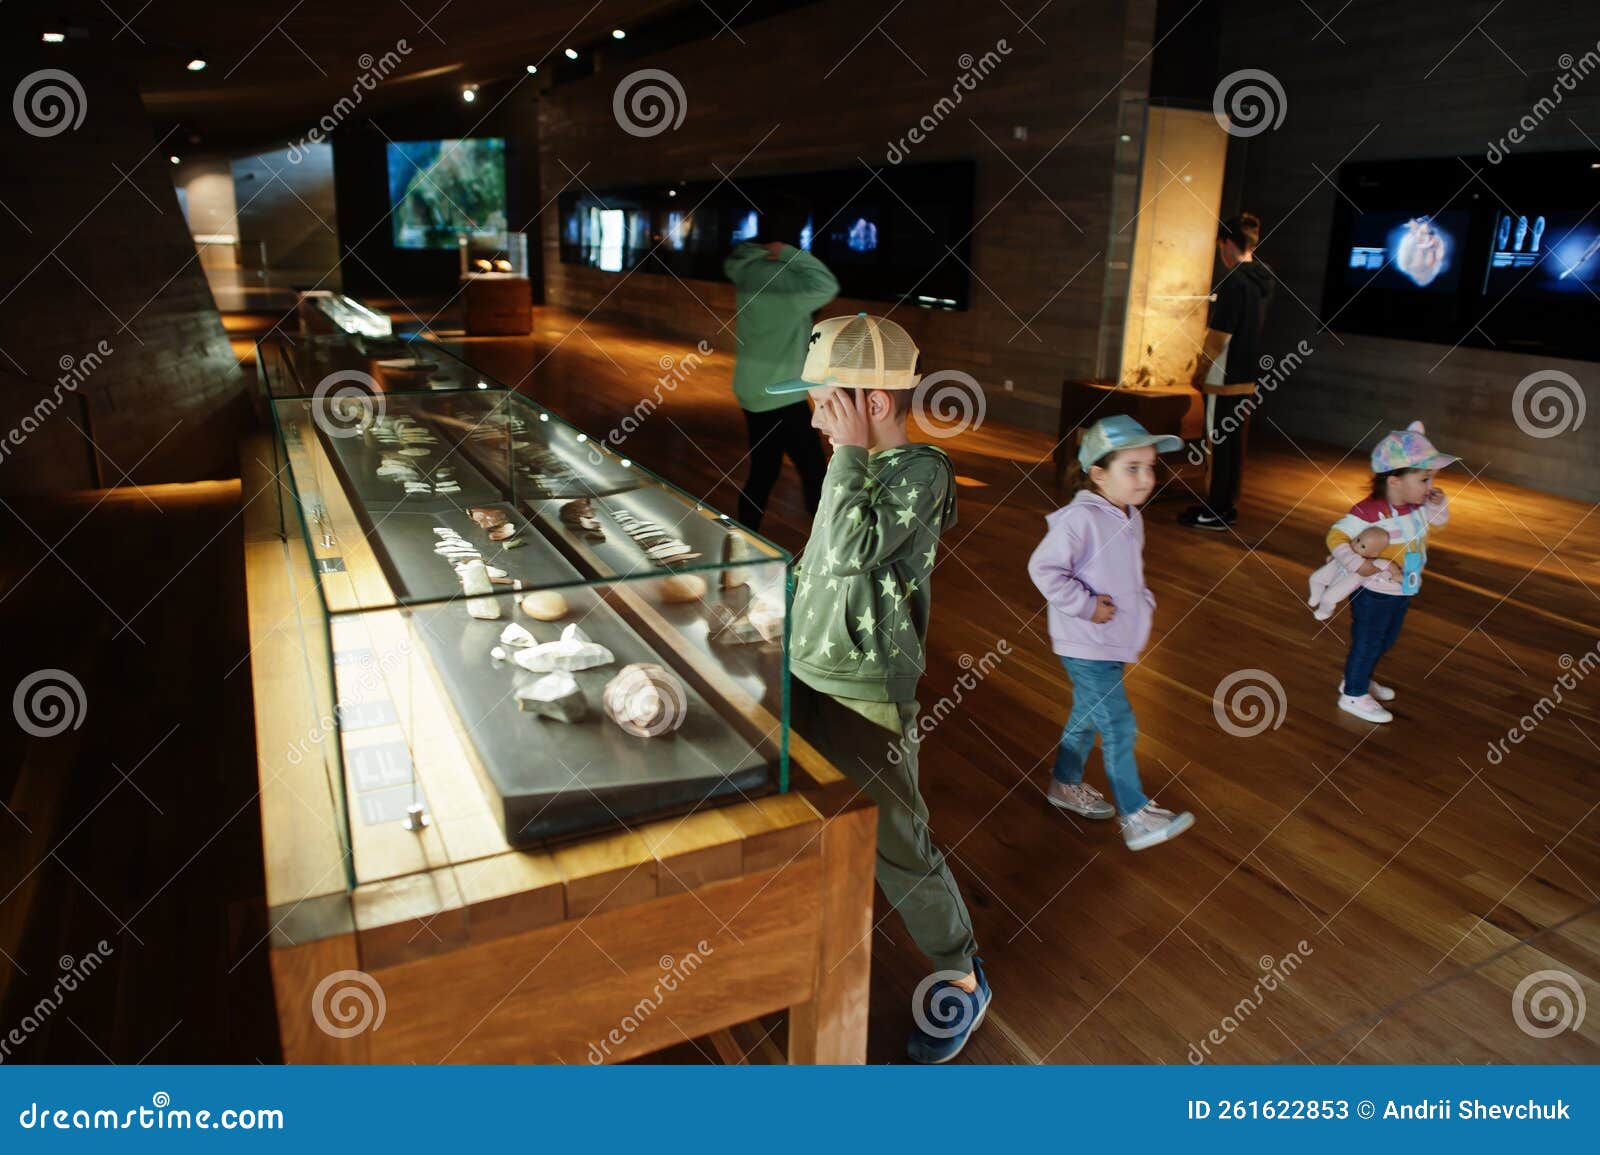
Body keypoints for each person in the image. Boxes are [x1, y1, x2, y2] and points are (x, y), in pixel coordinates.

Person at [765, 313, 988, 1064]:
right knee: (803, 805)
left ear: (875, 402)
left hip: (865, 683)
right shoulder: (850, 466)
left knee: (896, 835)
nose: (814, 418)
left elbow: (853, 546)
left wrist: (848, 453)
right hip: (805, 663)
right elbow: (817, 562)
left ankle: (960, 970)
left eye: (826, 403)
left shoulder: (922, 472)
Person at [1028, 415, 1197, 851]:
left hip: (1112, 642)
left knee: (1087, 717)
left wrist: (1142, 605)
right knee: (1120, 724)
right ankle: (1135, 814)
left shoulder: (1129, 515)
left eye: (1150, 467)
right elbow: (1044, 568)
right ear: (1099, 473)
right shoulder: (1079, 519)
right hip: (1086, 643)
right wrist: (1086, 605)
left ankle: (1064, 783)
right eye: (1132, 468)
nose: (1146, 478)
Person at [1327, 420, 1456, 724]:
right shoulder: (1368, 512)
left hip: (1403, 587)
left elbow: (1438, 523)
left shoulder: (1416, 506)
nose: (1430, 486)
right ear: (1395, 481)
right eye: (1424, 479)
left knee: (1386, 639)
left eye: (1431, 479)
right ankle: (1353, 693)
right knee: (1369, 640)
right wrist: (1359, 564)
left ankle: (1357, 677)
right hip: (1373, 592)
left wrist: (1438, 505)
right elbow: (1336, 537)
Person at [723, 197, 839, 532]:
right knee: (814, 472)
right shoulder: (789, 280)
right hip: (781, 393)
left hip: (751, 389)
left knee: (764, 469)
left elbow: (733, 261)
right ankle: (828, 546)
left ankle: (744, 540)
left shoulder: (748, 269)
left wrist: (770, 251)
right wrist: (789, 254)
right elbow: (827, 285)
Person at [1179, 212, 1275, 532]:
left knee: (1217, 443)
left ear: (1229, 243)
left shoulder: (1234, 282)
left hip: (1222, 376)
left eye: (1221, 245)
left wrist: (1200, 370)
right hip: (1246, 373)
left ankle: (1216, 508)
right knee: (1232, 444)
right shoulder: (1264, 278)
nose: (1221, 253)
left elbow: (1219, 336)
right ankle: (1225, 505)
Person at [1306, 526, 1392, 620]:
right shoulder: (1348, 551)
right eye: (1358, 540)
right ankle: (1316, 595)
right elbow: (1340, 553)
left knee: (1328, 598)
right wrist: (1333, 557)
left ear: (1373, 554)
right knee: (1315, 579)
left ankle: (1325, 611)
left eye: (1363, 546)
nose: (1356, 545)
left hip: (1347, 581)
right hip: (1335, 568)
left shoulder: (1372, 563)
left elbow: (1388, 564)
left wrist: (1396, 574)